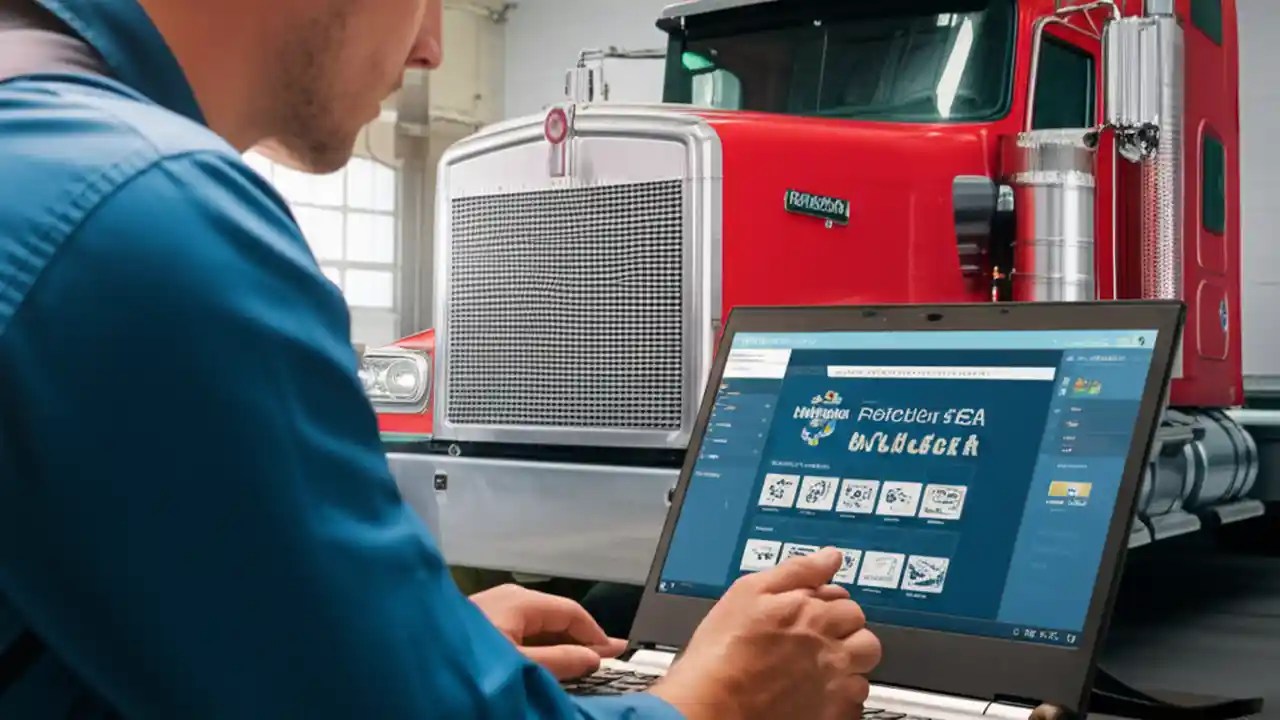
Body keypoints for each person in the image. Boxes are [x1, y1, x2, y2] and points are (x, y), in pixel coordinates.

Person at [0, 0, 882, 717]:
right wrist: (713, 701)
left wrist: (409, 647)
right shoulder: (144, 213)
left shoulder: (49, 145)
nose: (429, 48)